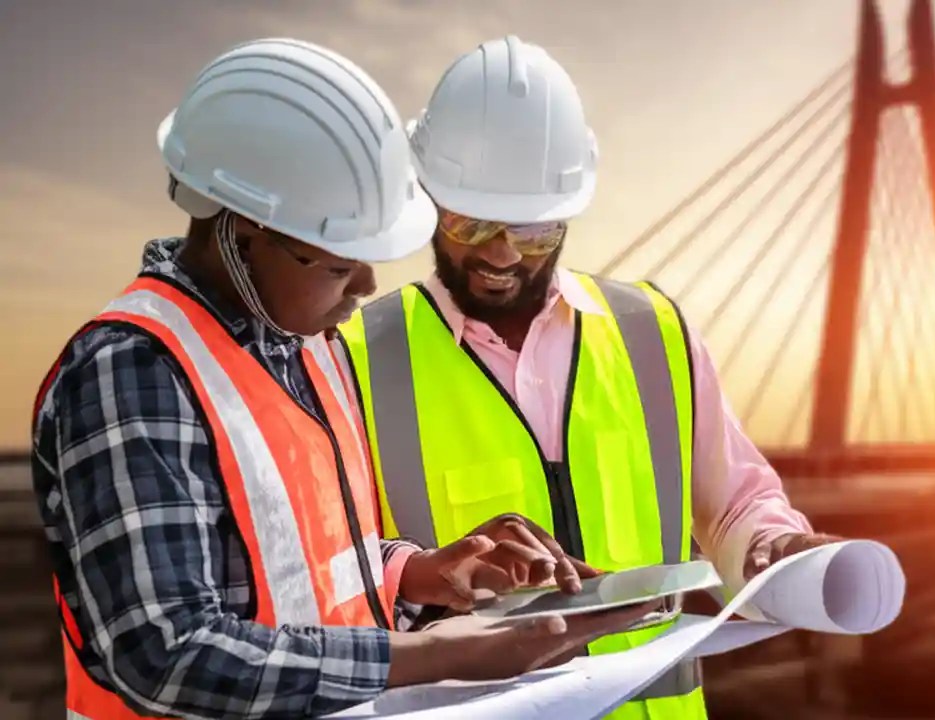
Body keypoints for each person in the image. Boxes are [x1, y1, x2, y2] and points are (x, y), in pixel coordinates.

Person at [31, 38, 653, 720]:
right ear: (242, 237)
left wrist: (421, 572)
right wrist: (445, 654)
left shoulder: (308, 344)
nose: (367, 285)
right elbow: (166, 652)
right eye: (337, 265)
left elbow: (304, 556)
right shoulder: (132, 369)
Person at [336, 35, 859, 719]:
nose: (500, 254)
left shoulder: (654, 332)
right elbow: (331, 573)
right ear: (428, 197)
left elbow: (730, 506)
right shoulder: (351, 358)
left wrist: (774, 548)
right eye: (472, 223)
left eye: (532, 232)